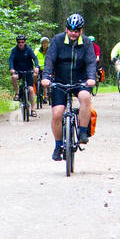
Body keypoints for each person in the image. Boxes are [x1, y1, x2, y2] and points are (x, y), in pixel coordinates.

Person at [41, 13, 97, 161]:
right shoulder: (58, 40)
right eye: (71, 30)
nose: (73, 33)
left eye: (77, 30)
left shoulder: (86, 43)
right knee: (57, 113)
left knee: (85, 97)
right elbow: (49, 60)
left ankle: (83, 132)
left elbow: (91, 62)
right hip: (60, 81)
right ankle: (58, 145)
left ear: (81, 31)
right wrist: (46, 77)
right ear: (66, 29)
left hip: (80, 81)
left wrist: (91, 78)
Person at [9, 34, 38, 109]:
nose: (21, 44)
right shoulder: (14, 50)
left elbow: (35, 58)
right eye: (19, 42)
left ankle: (33, 109)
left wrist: (36, 67)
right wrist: (11, 68)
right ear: (17, 43)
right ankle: (17, 93)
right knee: (14, 77)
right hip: (18, 71)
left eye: (22, 42)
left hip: (28, 71)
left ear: (25, 42)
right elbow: (11, 59)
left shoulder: (29, 50)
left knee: (31, 90)